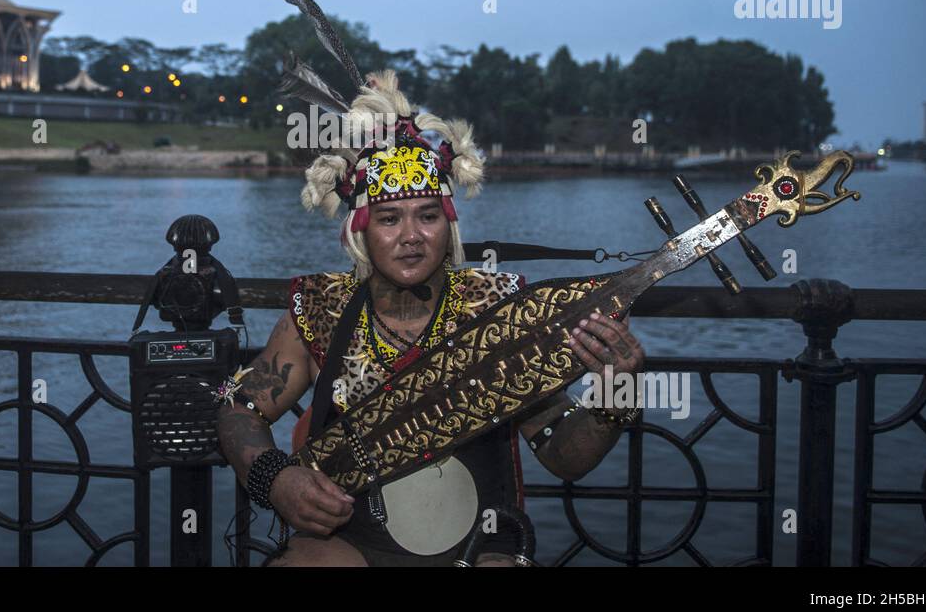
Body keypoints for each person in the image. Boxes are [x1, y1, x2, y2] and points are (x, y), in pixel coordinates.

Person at [215, 70, 646, 566]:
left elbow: (565, 457)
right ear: (360, 230)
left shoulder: (497, 313)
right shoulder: (320, 311)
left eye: (428, 215)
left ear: (450, 224)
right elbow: (238, 407)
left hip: (479, 549)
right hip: (348, 545)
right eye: (389, 219)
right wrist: (278, 478)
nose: (411, 236)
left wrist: (618, 393)